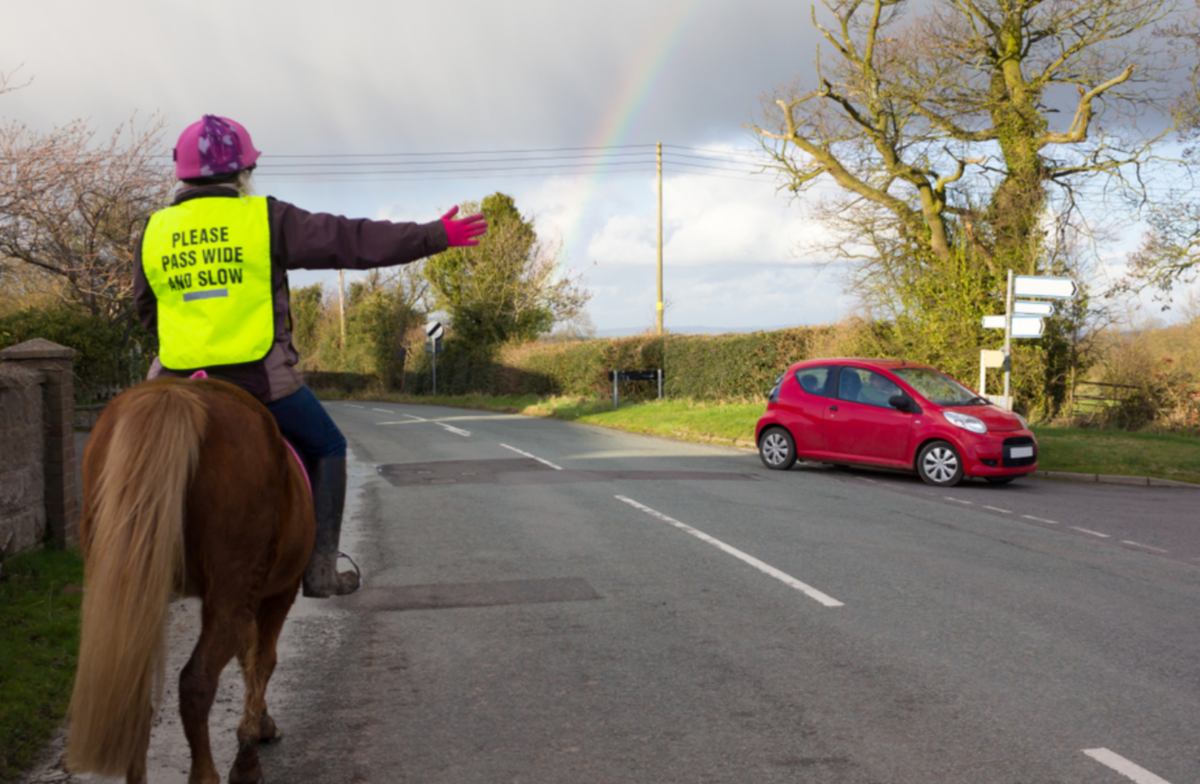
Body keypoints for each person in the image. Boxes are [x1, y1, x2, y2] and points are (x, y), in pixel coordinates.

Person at [134, 115, 487, 597]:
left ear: (183, 174)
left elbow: (144, 309)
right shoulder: (265, 218)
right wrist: (434, 235)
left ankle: (133, 565)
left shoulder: (155, 230)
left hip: (173, 380)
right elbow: (352, 240)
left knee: (127, 455)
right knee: (327, 446)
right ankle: (321, 570)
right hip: (257, 379)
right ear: (243, 174)